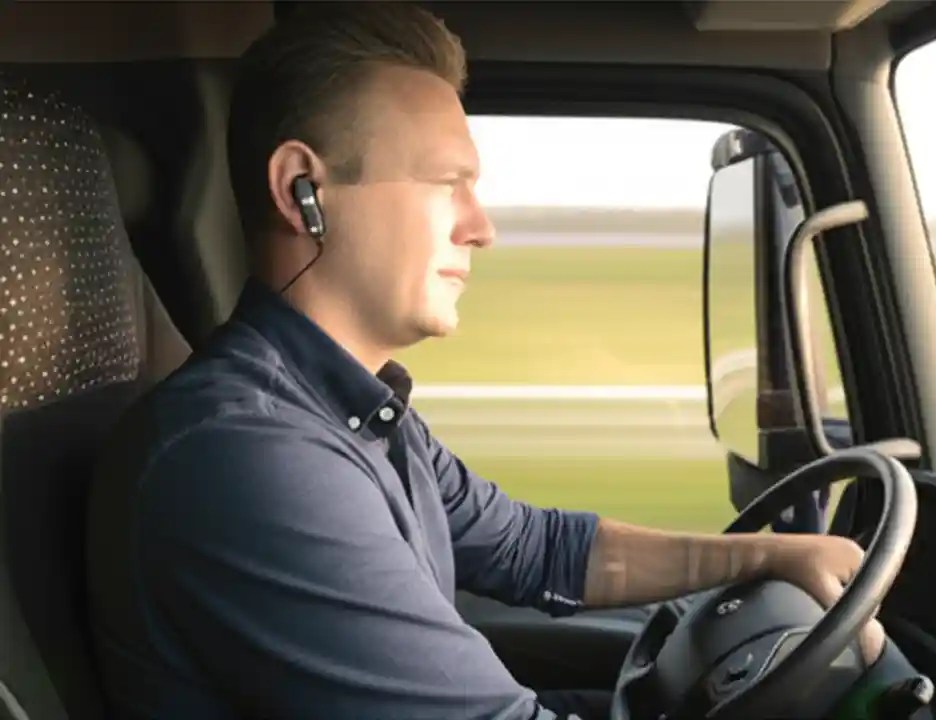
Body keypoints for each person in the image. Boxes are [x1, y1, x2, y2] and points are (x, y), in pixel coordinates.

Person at [84, 5, 886, 720]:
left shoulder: (348, 409)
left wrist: (770, 555)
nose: (482, 227)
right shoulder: (247, 459)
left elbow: (538, 550)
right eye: (448, 184)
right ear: (303, 191)